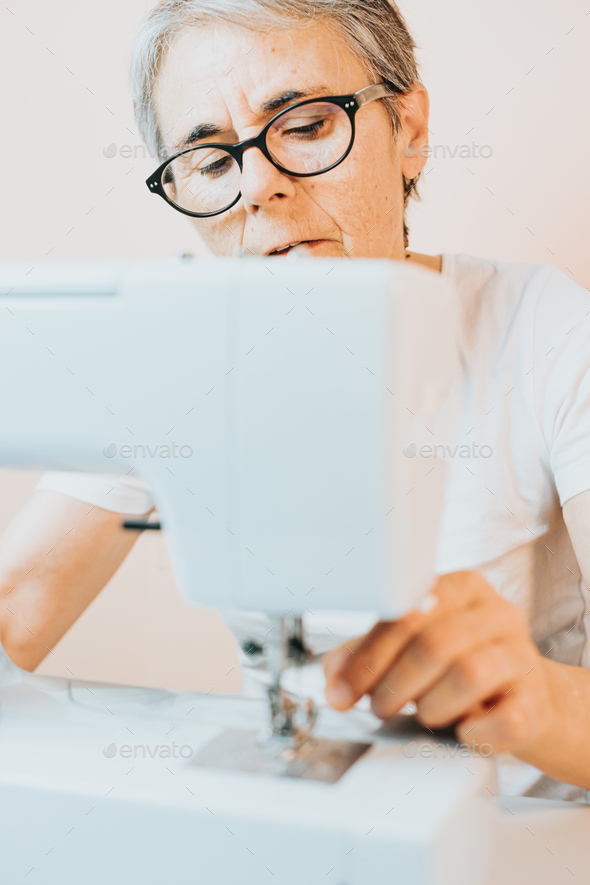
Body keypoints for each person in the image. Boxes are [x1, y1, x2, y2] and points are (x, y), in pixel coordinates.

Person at [1, 0, 590, 800]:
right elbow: (16, 608)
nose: (257, 188)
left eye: (307, 125)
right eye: (210, 160)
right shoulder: (190, 366)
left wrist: (537, 698)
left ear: (408, 128)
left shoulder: (549, 333)